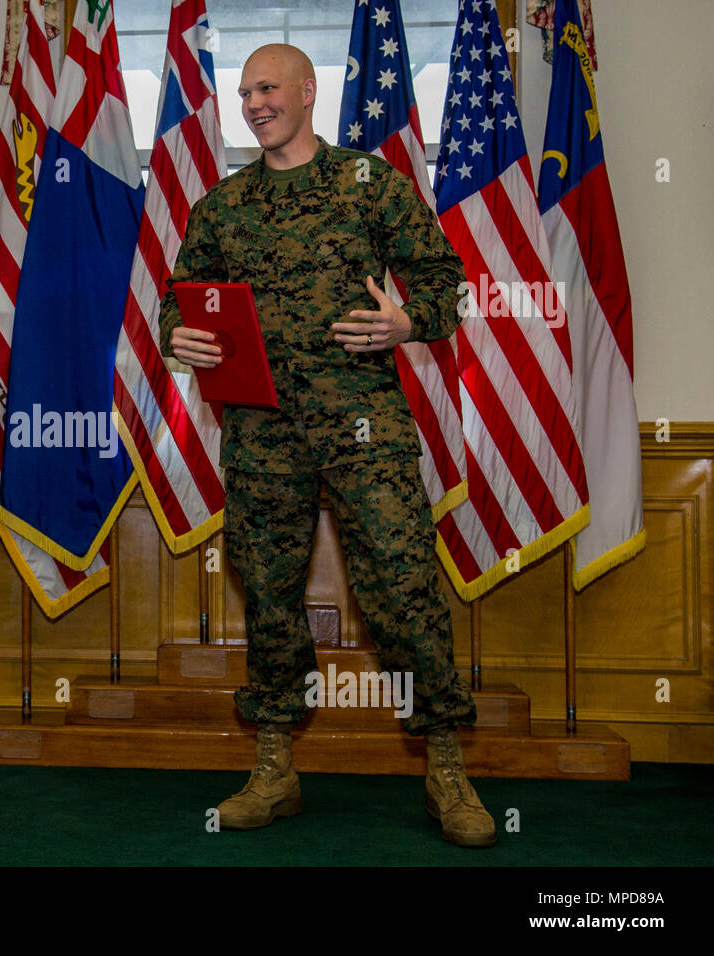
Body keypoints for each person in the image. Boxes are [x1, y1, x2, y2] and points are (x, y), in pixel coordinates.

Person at [159, 45, 495, 848]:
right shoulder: (222, 204)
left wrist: (411, 321)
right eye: (245, 92)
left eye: (269, 88)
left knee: (403, 584)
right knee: (270, 596)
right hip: (260, 431)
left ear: (309, 93)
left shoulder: (369, 183)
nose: (254, 102)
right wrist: (183, 340)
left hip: (362, 425)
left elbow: (443, 277)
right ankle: (274, 766)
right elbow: (181, 304)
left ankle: (446, 767)